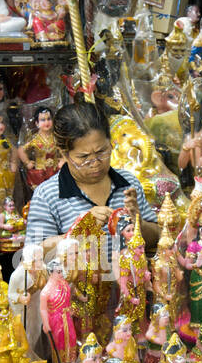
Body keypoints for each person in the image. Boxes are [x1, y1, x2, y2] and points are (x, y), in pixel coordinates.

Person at [25, 101, 159, 261]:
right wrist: (80, 230)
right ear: (64, 154)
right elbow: (32, 257)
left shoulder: (128, 183)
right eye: (84, 157)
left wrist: (139, 224)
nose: (95, 163)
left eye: (102, 151)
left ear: (111, 142)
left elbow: (156, 237)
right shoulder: (47, 196)